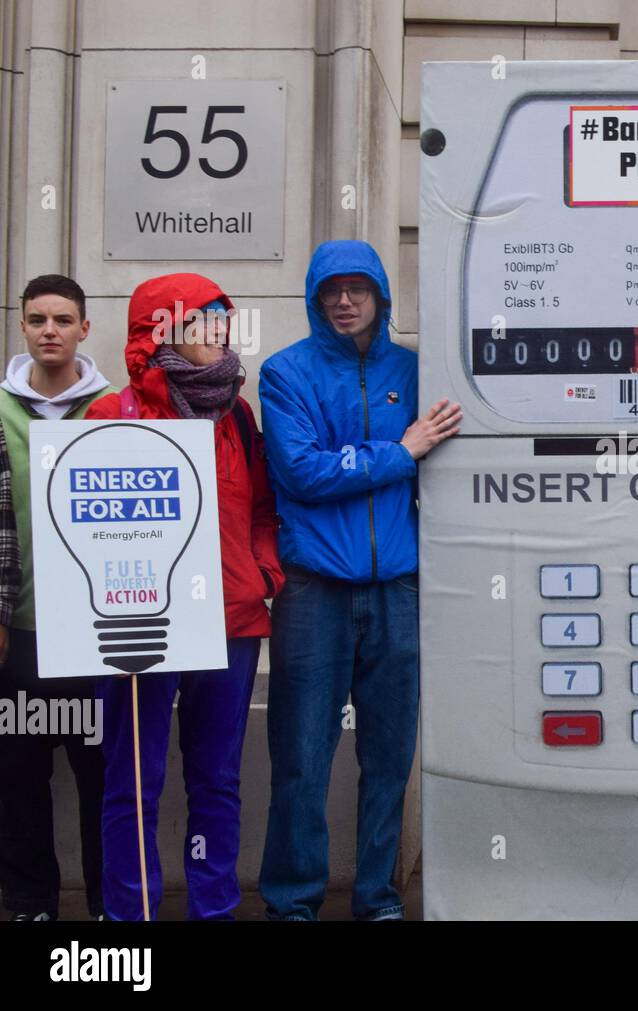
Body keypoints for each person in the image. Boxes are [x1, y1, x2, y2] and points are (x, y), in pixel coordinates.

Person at [258, 240, 461, 921]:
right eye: (332, 291)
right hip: (313, 591)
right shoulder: (286, 373)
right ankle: (292, 902)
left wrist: (383, 459)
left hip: (399, 591)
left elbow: (448, 472)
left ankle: (377, 898)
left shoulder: (416, 367)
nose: (345, 301)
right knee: (301, 759)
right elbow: (304, 474)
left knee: (390, 759)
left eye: (358, 288)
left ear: (380, 294)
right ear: (315, 299)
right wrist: (400, 451)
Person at [87, 273, 283, 920]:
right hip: (140, 624)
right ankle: (129, 915)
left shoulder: (238, 411)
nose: (218, 330)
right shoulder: (111, 414)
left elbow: (261, 507)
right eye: (202, 320)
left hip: (231, 620)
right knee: (132, 782)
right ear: (161, 331)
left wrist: (263, 573)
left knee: (217, 782)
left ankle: (213, 909)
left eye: (223, 318)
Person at [0, 274, 112, 921]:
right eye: (38, 318)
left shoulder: (116, 407)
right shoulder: (0, 409)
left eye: (63, 320)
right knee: (16, 777)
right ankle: (28, 903)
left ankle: (108, 904)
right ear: (22, 326)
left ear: (84, 329)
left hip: (95, 635)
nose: (50, 330)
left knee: (102, 778)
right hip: (18, 630)